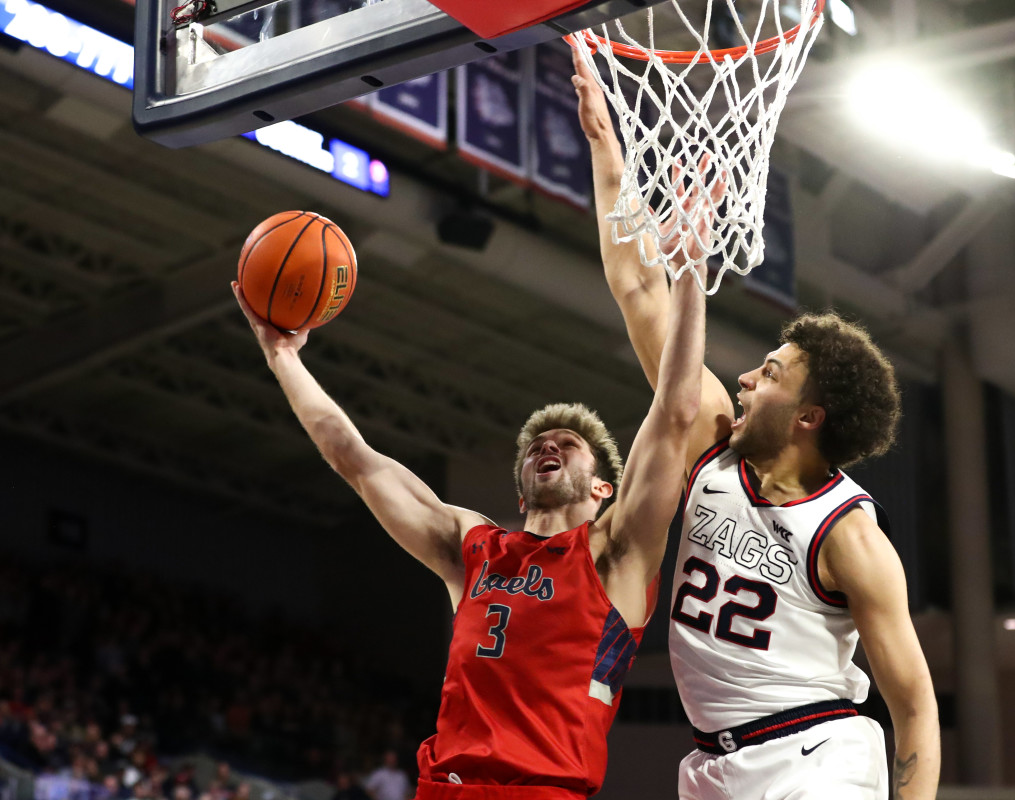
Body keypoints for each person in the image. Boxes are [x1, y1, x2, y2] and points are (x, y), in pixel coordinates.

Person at [231, 203, 711, 799]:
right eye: (538, 445)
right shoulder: (474, 550)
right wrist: (283, 357)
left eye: (567, 444)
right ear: (520, 486)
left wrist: (690, 271)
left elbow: (675, 415)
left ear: (602, 488)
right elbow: (354, 459)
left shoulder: (616, 552)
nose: (548, 447)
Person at [572, 46, 941, 800]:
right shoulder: (713, 445)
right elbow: (637, 289)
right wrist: (607, 157)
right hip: (714, 765)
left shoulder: (849, 535)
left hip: (819, 758)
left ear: (809, 417)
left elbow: (915, 709)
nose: (743, 377)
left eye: (769, 373)